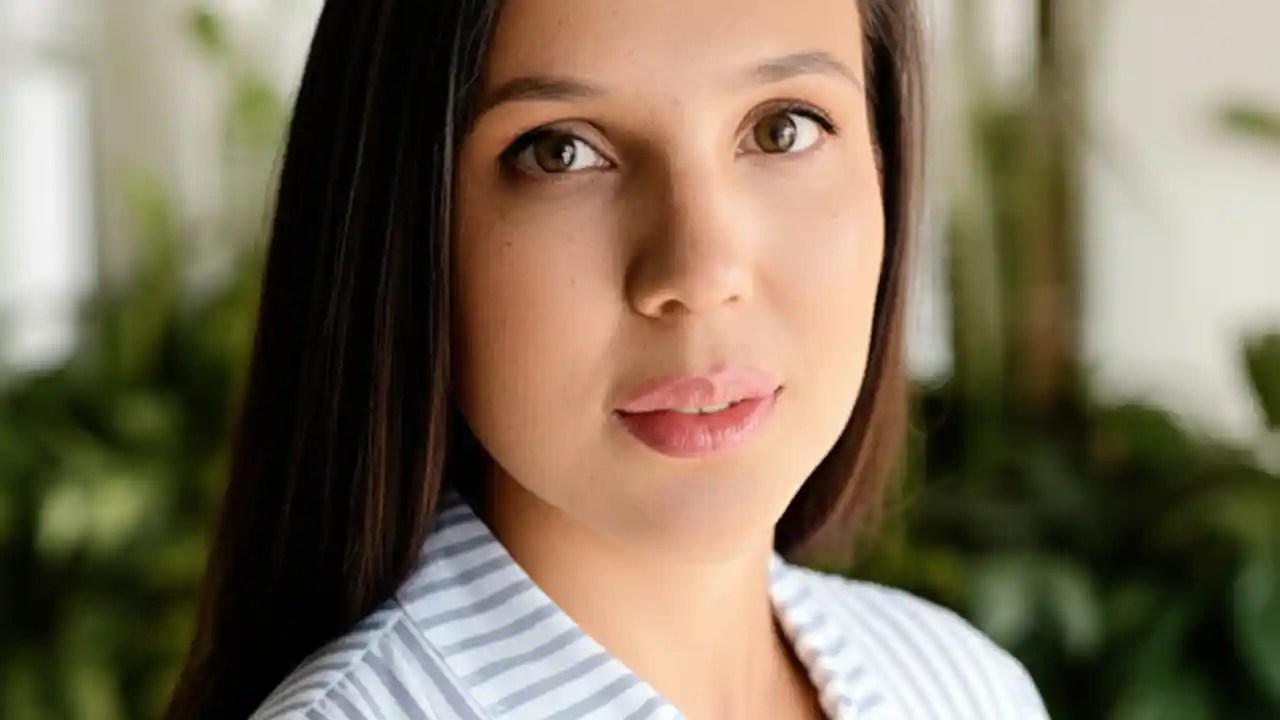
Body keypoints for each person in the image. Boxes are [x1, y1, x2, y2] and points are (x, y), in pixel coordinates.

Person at [164, 0, 1051, 718]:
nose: (698, 272)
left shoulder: (966, 688)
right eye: (562, 151)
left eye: (783, 129)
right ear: (404, 231)